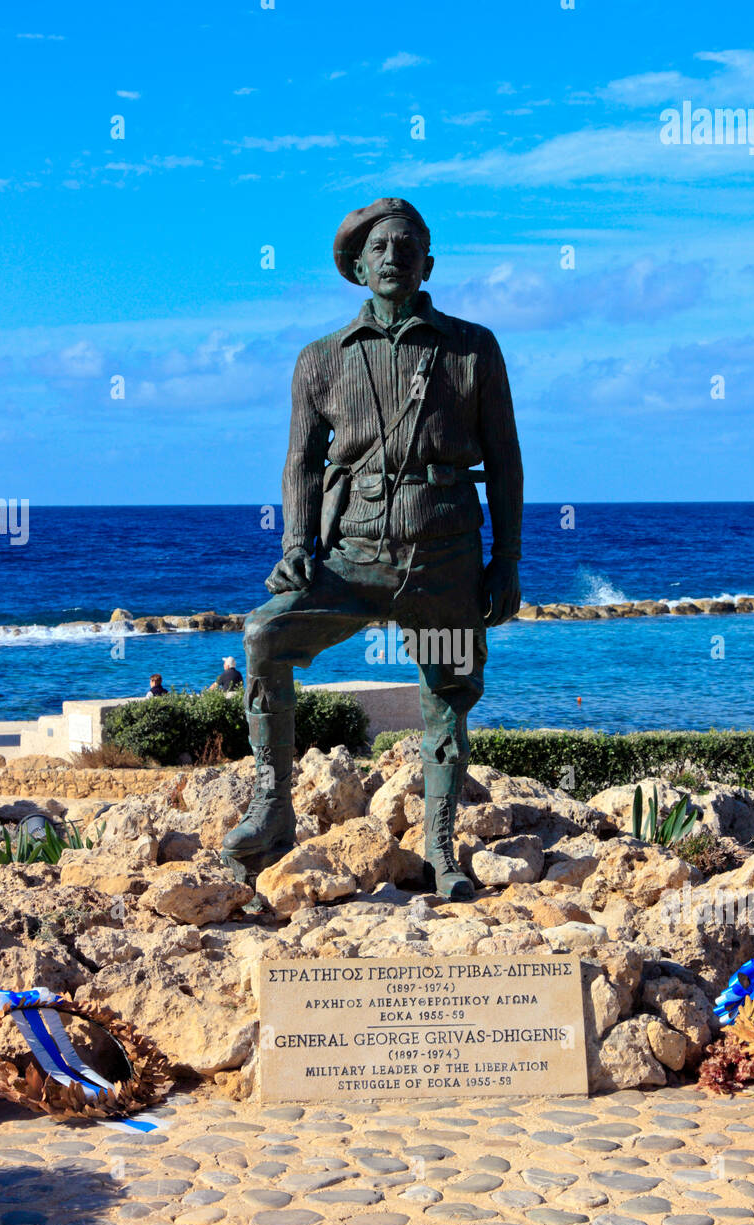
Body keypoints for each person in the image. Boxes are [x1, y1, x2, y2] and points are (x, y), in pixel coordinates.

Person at [221, 197, 523, 902]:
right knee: (265, 636)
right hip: (350, 555)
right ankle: (272, 809)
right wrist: (297, 546)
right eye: (378, 248)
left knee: (446, 698)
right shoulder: (320, 360)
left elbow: (505, 460)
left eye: (406, 245)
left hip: (444, 557)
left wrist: (505, 558)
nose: (392, 256)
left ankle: (442, 851)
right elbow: (300, 464)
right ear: (357, 267)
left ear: (428, 264)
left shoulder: (472, 348)